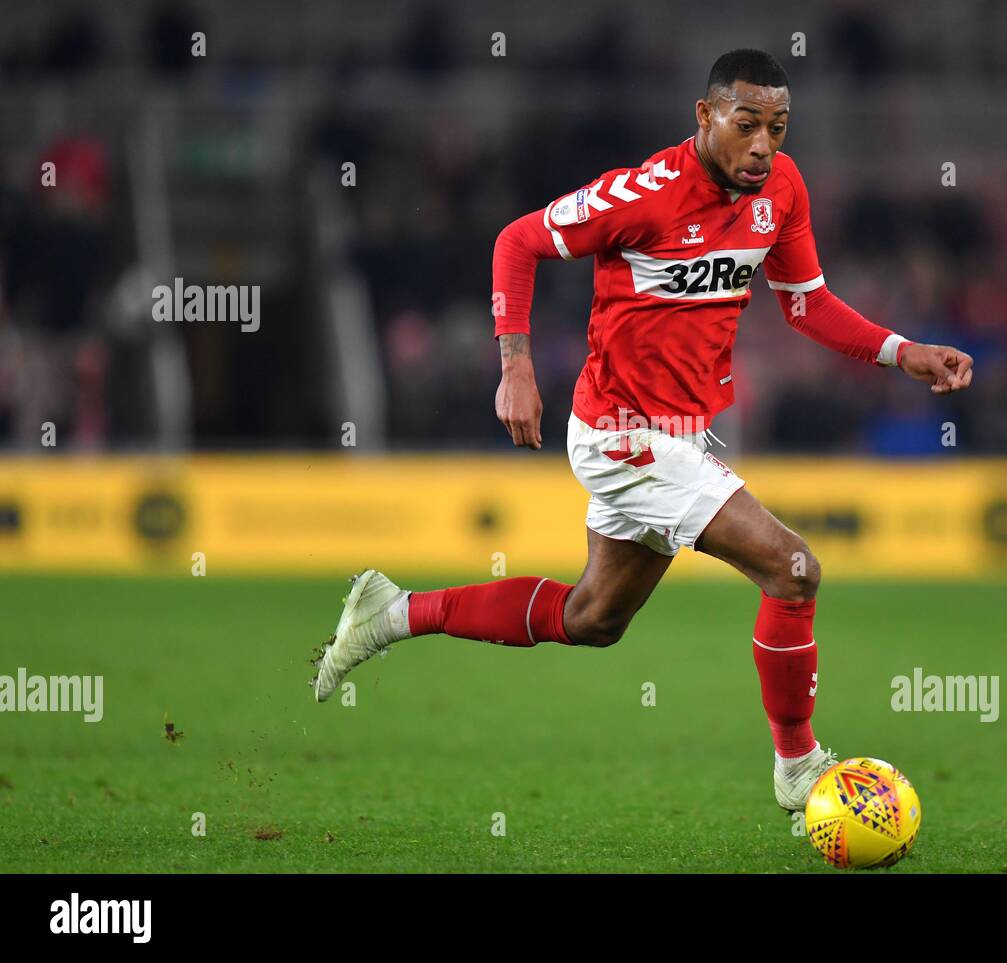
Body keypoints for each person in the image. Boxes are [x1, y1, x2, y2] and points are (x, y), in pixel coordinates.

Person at [312, 49, 973, 811]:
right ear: (706, 115)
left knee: (591, 618)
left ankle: (390, 613)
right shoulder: (644, 194)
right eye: (747, 123)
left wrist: (904, 352)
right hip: (622, 435)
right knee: (794, 570)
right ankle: (798, 765)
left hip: (681, 437)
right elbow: (516, 241)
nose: (764, 144)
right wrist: (516, 366)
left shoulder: (781, 191)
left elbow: (807, 302)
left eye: (778, 128)